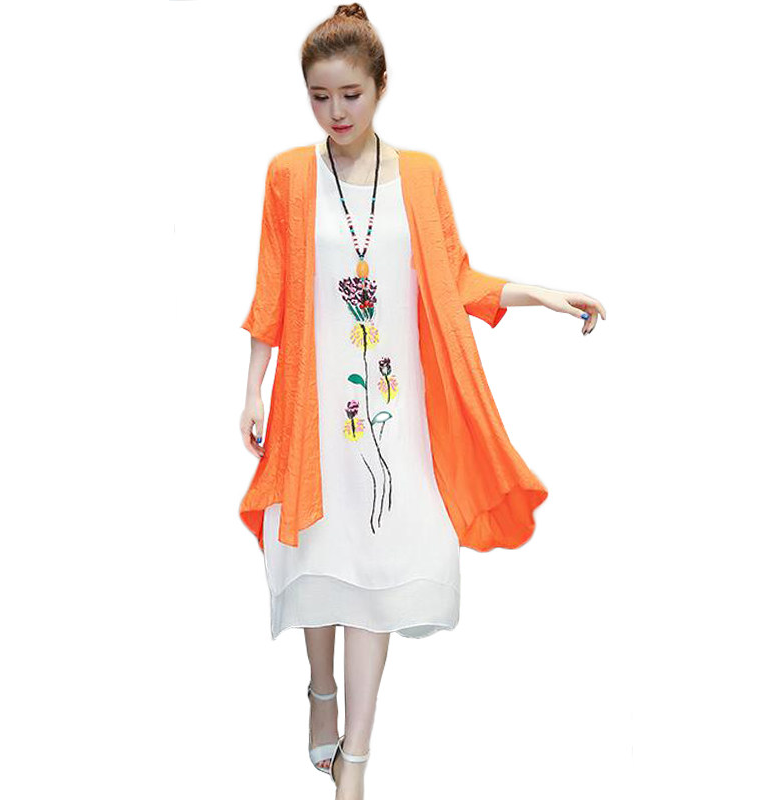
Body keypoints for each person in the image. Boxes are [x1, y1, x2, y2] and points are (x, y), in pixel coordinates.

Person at [238, 5, 606, 797]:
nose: (336, 112)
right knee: (316, 557)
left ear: (381, 86)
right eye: (319, 97)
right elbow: (272, 289)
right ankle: (321, 691)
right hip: (316, 413)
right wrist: (252, 390)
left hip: (395, 416)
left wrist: (540, 294)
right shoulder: (289, 176)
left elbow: (453, 276)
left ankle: (356, 760)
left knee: (379, 566)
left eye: (350, 95)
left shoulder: (421, 175)